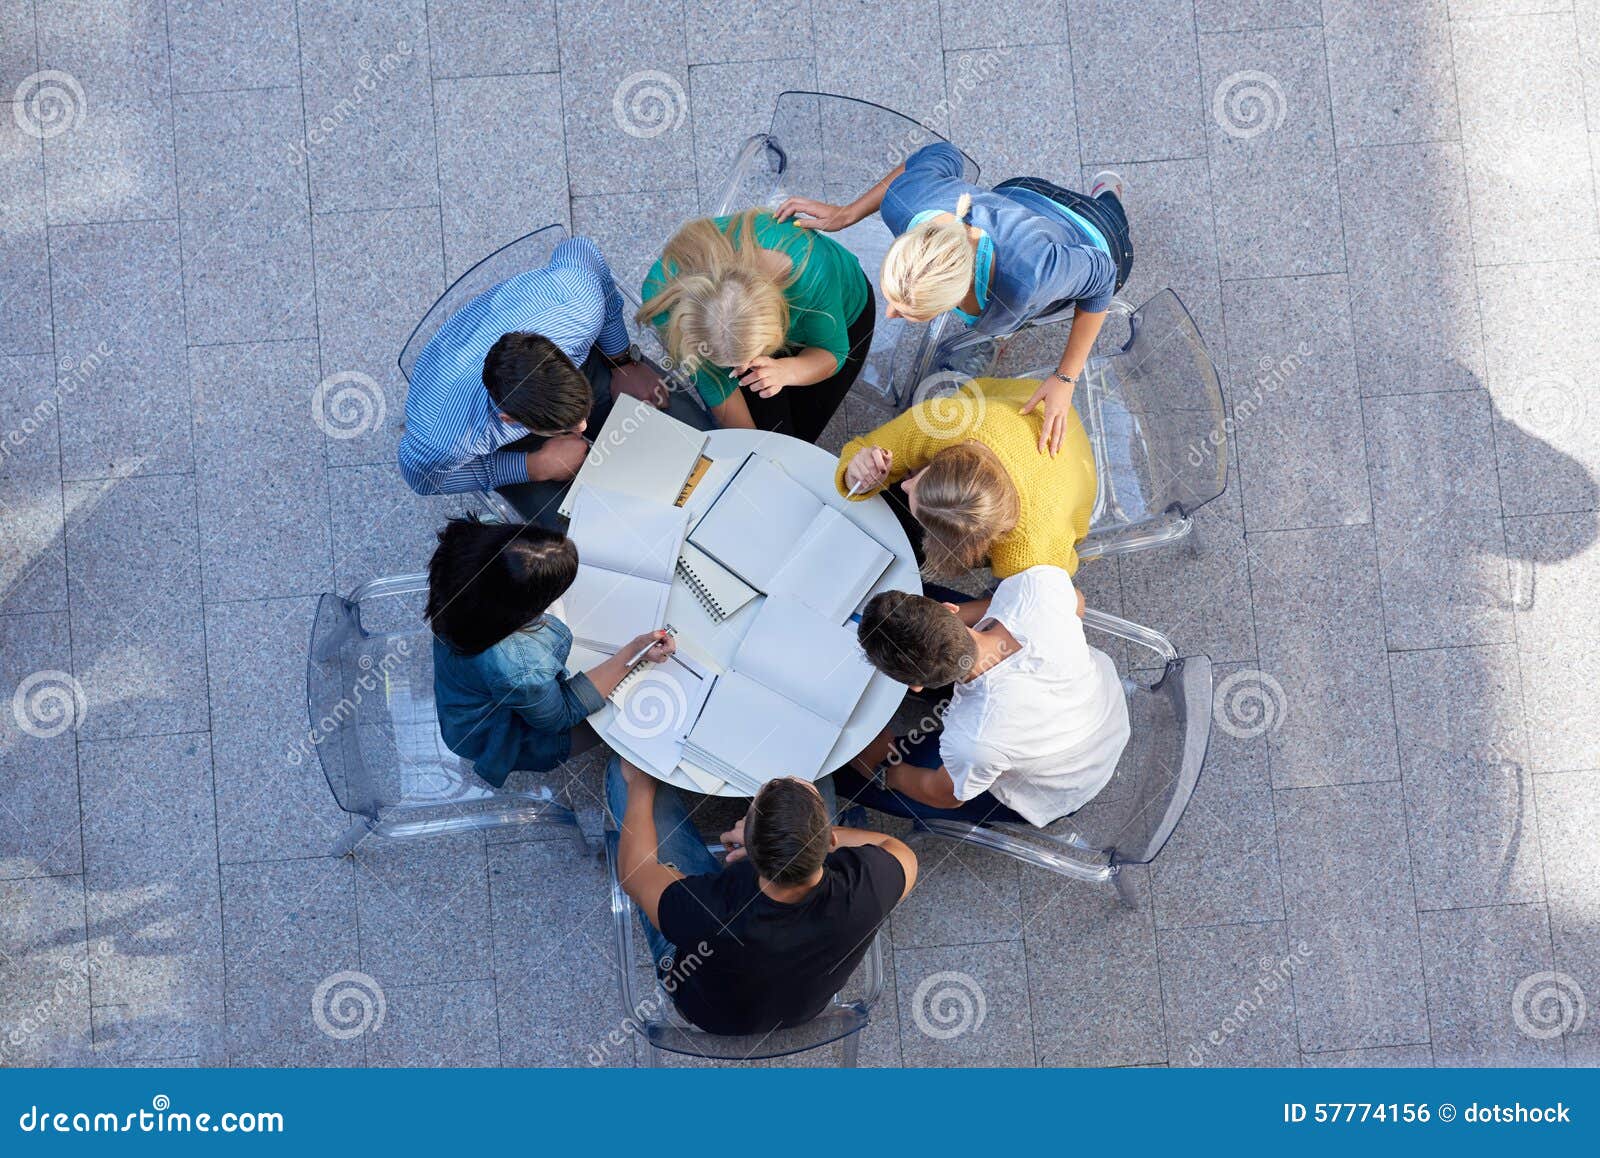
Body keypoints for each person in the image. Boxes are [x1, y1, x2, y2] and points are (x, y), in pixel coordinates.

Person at [777, 145, 1132, 456]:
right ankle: (997, 334)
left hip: (1094, 232)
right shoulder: (904, 203)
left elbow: (1102, 276)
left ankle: (1108, 193)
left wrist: (1065, 378)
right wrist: (848, 213)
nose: (888, 313)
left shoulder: (1029, 276)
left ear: (959, 294)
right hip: (1021, 194)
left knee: (1111, 213)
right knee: (1010, 317)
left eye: (909, 310)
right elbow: (941, 152)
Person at [399, 234, 708, 526]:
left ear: (562, 356)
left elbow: (581, 248)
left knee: (703, 446)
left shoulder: (578, 309)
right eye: (568, 427)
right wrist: (532, 466)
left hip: (566, 358)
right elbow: (422, 480)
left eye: (581, 412)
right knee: (577, 544)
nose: (584, 431)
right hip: (503, 439)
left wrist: (622, 361)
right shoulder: (444, 439)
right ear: (508, 419)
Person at [606, 756, 917, 1036]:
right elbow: (899, 851)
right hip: (804, 1009)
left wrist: (641, 785)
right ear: (832, 839)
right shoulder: (868, 887)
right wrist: (803, 841)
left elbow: (636, 872)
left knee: (625, 776)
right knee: (818, 772)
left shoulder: (702, 908)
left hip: (706, 1013)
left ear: (751, 848)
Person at [836, 565, 1129, 827]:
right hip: (1102, 707)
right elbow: (1076, 602)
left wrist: (888, 772)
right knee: (919, 608)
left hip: (1065, 783)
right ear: (951, 610)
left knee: (849, 769)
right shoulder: (1039, 589)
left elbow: (946, 795)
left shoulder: (971, 742)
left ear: (914, 686)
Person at [426, 516, 676, 787]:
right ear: (527, 610)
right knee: (621, 715)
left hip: (467, 694)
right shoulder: (520, 668)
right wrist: (633, 652)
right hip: (507, 734)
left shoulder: (463, 555)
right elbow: (561, 715)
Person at [638, 210, 875, 443]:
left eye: (742, 360)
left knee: (800, 437)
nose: (741, 368)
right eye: (730, 364)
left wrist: (788, 371)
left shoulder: (811, 268)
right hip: (740, 339)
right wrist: (756, 450)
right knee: (773, 436)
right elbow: (714, 383)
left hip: (842, 317)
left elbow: (831, 352)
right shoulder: (662, 296)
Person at [836, 376, 1096, 579]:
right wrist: (855, 472)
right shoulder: (943, 422)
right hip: (1032, 403)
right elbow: (861, 447)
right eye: (923, 475)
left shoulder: (1032, 553)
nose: (903, 483)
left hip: (1072, 484)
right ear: (946, 458)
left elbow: (1057, 584)